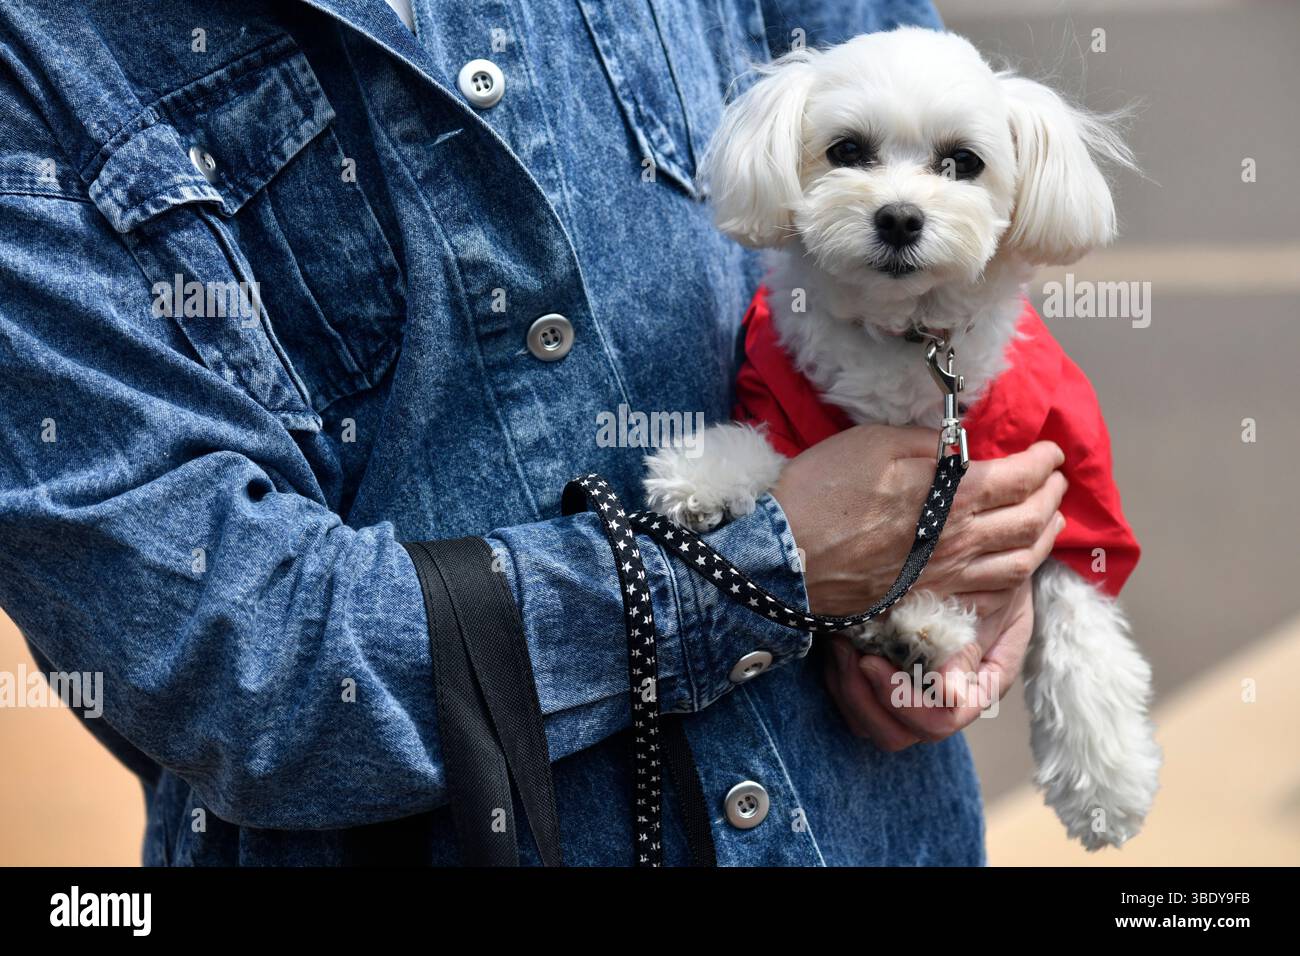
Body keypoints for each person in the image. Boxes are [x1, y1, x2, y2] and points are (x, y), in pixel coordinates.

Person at [0, 0, 1065, 865]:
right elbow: (238, 665)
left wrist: (978, 540)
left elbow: (964, 200)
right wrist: (763, 567)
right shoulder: (40, 55)